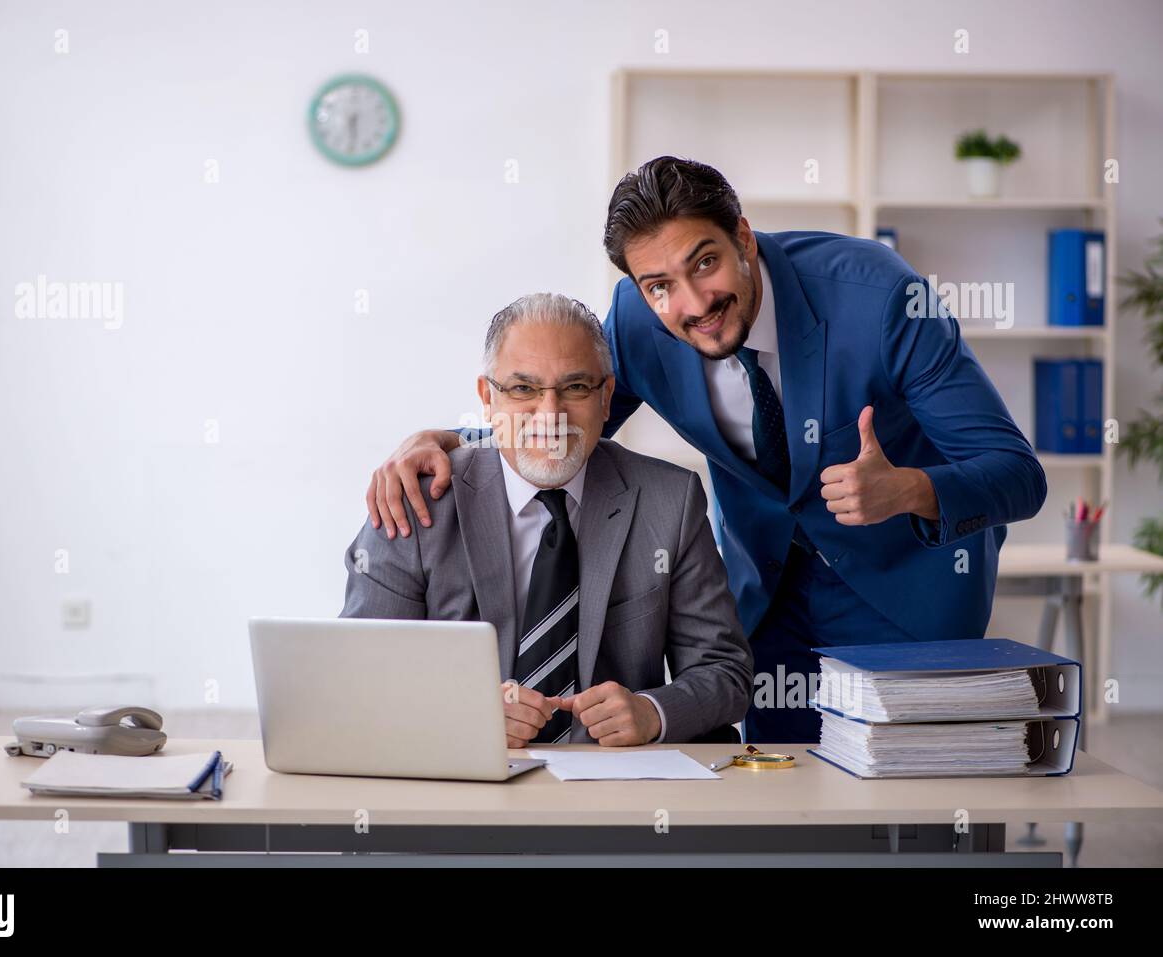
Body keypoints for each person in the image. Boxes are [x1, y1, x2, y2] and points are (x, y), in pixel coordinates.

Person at [362, 157, 1046, 744]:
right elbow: (566, 418)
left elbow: (1017, 474)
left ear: (743, 237)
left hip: (906, 592)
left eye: (706, 263)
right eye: (659, 284)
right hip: (770, 598)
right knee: (792, 809)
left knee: (919, 811)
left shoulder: (880, 298)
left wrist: (910, 489)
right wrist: (452, 441)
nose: (691, 303)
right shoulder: (637, 321)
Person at [342, 292, 753, 747]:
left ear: (605, 397)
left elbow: (724, 671)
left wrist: (653, 712)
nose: (550, 414)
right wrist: (460, 712)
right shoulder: (417, 501)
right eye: (523, 389)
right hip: (460, 786)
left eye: (575, 388)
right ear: (487, 398)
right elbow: (359, 674)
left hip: (616, 790)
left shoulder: (669, 501)